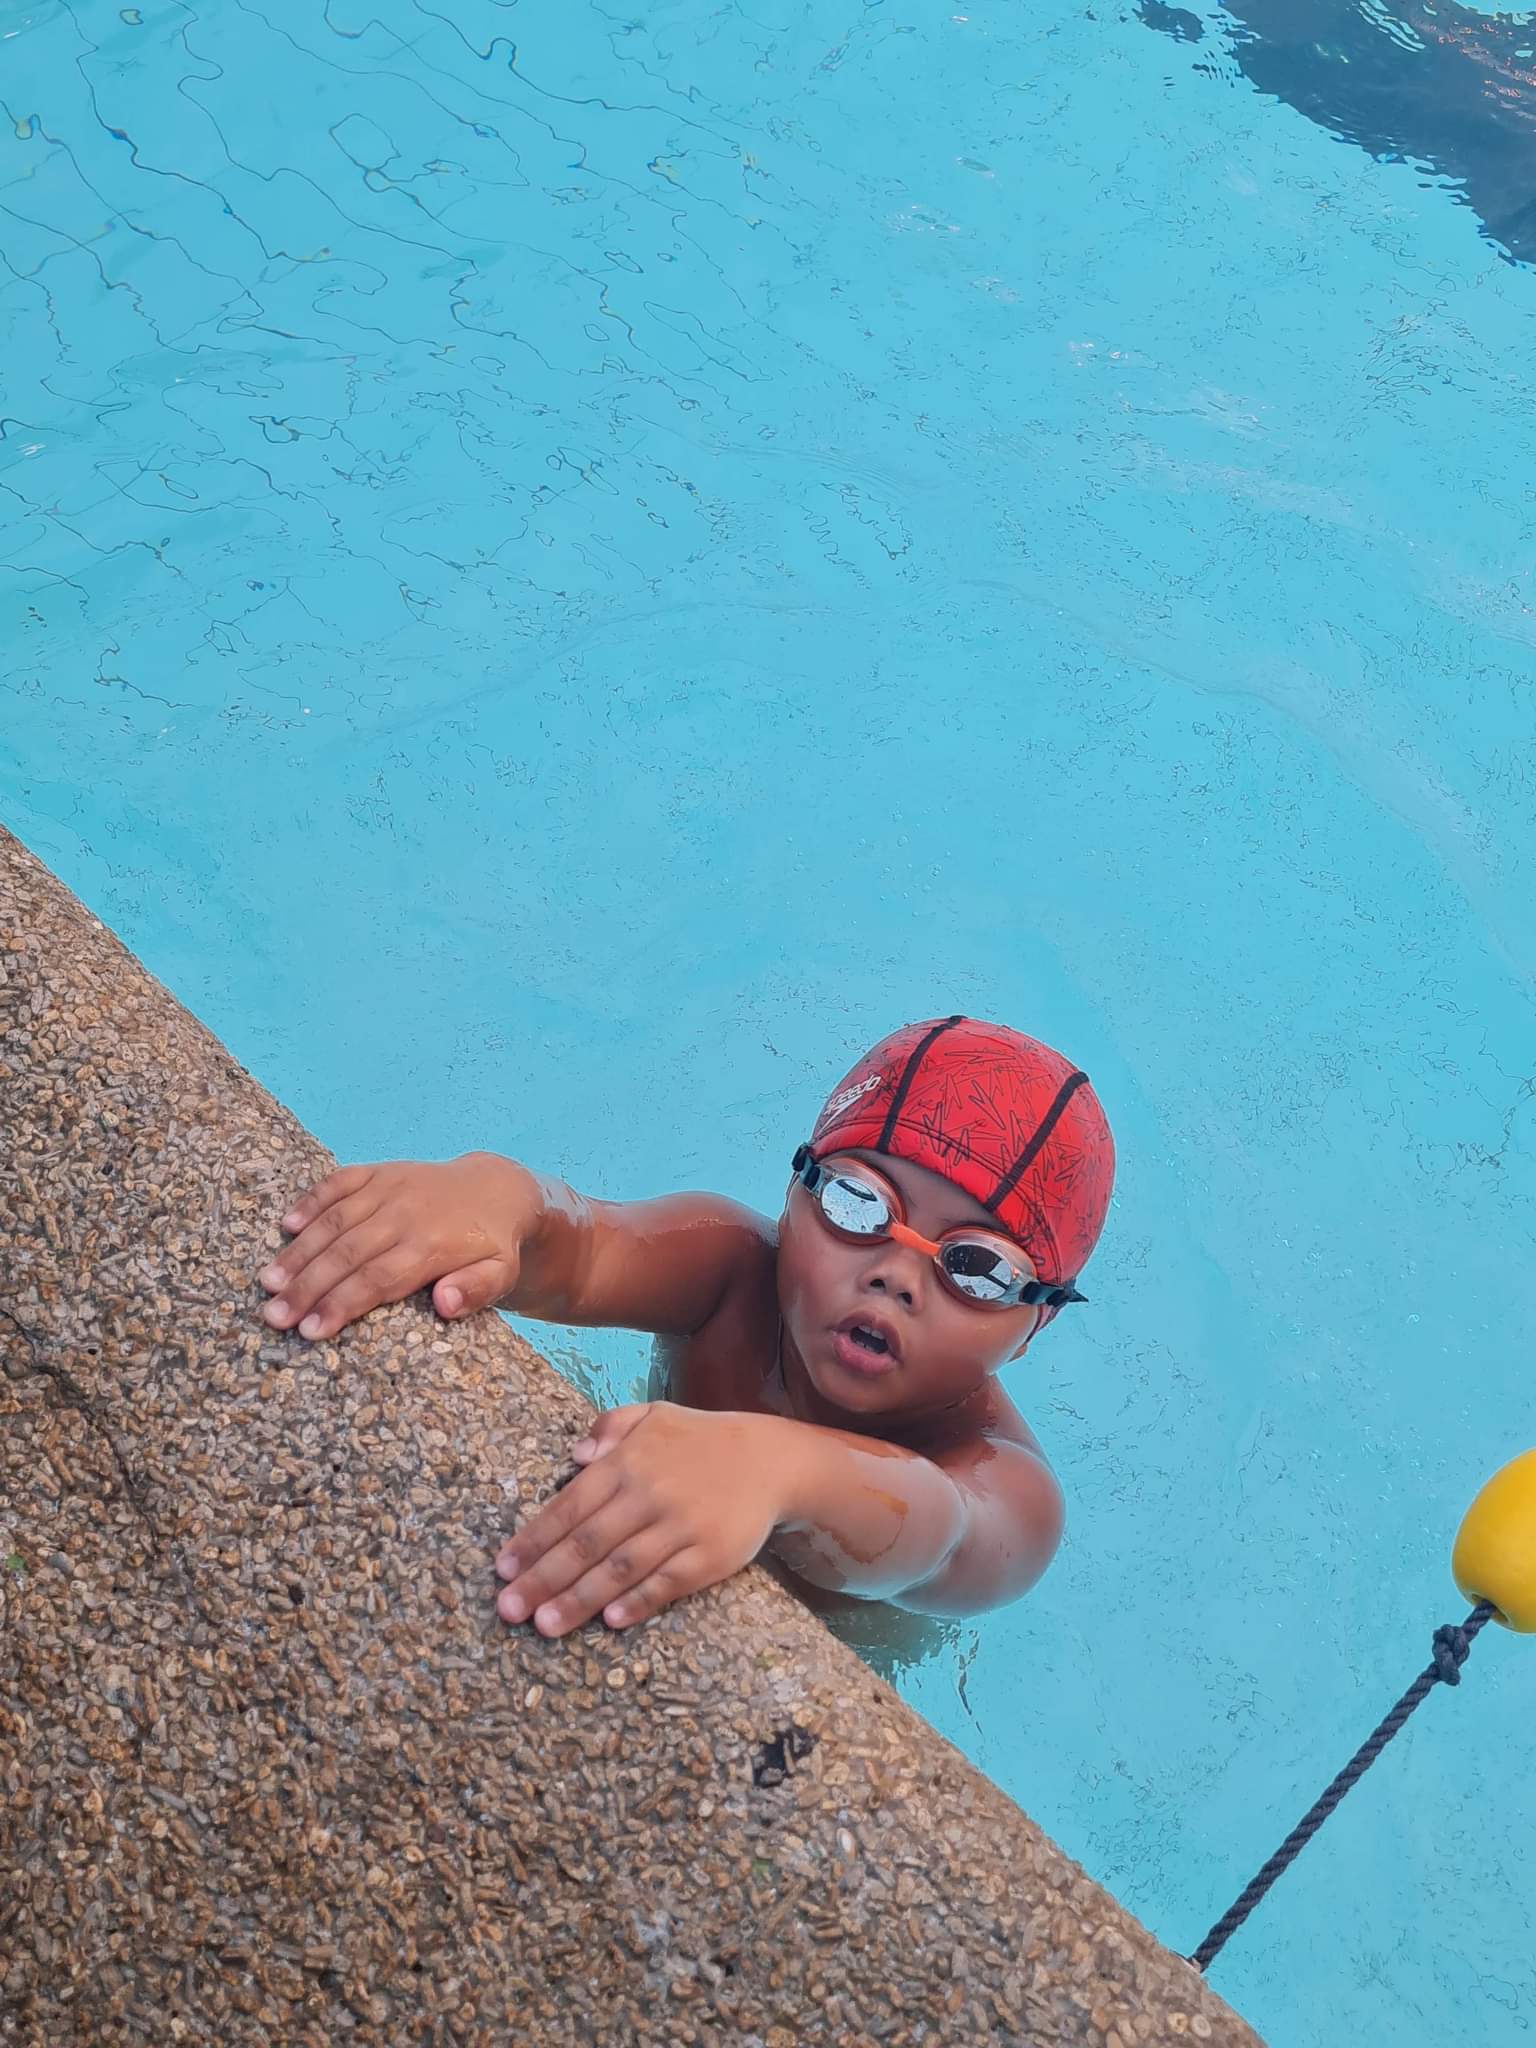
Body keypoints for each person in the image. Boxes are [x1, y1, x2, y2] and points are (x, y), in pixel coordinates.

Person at [256, 1016, 1114, 1640]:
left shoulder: (1009, 1485)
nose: (895, 1272)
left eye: (975, 1267)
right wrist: (499, 1198)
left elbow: (943, 1531)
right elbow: (582, 1250)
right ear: (795, 1194)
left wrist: (779, 1467)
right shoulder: (730, 1268)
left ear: (1032, 1328)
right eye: (859, 1203)